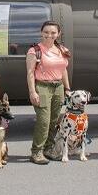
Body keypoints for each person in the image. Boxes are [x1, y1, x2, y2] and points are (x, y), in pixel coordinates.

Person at [26, 20, 72, 165]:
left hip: (58, 87)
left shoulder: (62, 50)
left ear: (58, 34)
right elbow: (30, 73)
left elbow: (63, 70)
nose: (49, 35)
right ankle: (36, 152)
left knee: (54, 120)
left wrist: (67, 88)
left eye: (53, 32)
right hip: (42, 87)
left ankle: (48, 149)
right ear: (41, 32)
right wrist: (32, 92)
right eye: (46, 32)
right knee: (44, 121)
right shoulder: (35, 50)